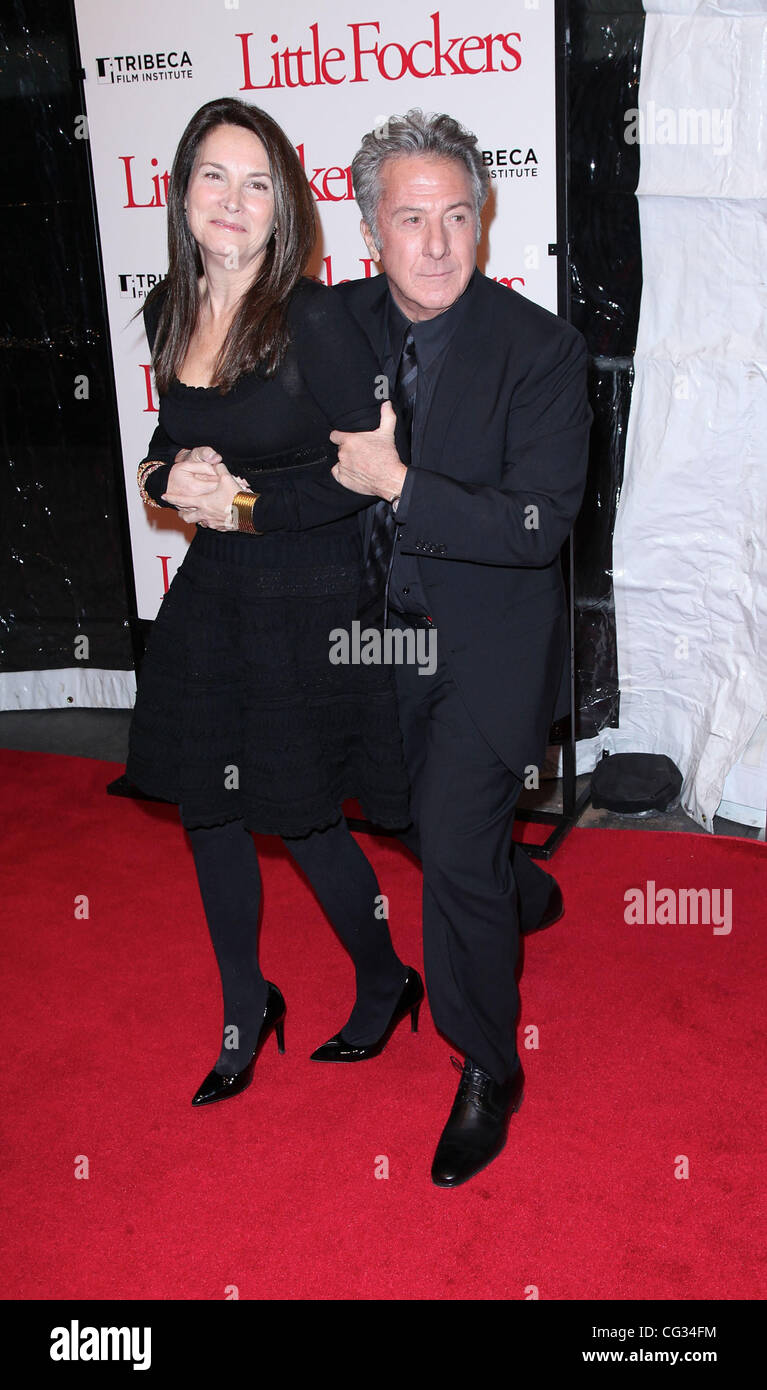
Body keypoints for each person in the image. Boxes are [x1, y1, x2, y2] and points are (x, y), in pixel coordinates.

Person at [125, 97, 423, 1108]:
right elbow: (166, 452)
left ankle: (384, 974)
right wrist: (171, 480)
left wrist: (239, 501)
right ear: (183, 191)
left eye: (258, 182)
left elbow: (366, 476)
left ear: (283, 205)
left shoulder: (314, 319)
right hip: (216, 597)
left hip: (309, 591)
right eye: (215, 175)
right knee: (208, 807)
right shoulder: (172, 307)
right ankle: (244, 1004)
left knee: (300, 816)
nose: (234, 199)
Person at [321, 110, 592, 1186]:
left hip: (481, 650)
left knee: (453, 858)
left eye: (456, 217)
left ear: (482, 220)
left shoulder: (539, 349)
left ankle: (487, 1067)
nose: (435, 243)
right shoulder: (334, 328)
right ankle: (515, 890)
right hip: (369, 646)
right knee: (409, 824)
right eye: (410, 219)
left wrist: (402, 486)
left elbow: (538, 524)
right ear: (369, 231)